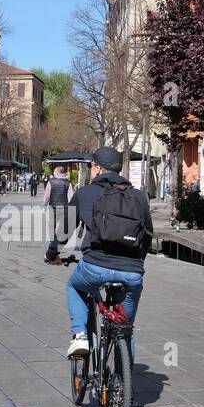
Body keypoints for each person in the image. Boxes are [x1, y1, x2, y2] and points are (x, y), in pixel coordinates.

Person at [56, 147, 153, 359]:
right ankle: (123, 377)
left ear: (98, 168)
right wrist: (136, 264)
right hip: (131, 272)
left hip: (94, 266)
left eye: (92, 167)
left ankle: (80, 335)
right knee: (125, 329)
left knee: (74, 286)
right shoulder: (138, 196)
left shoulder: (84, 193)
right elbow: (147, 236)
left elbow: (64, 231)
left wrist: (52, 254)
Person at [44, 165, 76, 243]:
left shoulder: (51, 182)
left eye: (54, 171)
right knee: (62, 225)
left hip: (53, 207)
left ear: (57, 172)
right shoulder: (68, 183)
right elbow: (71, 197)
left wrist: (45, 204)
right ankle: (60, 239)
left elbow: (47, 195)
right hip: (64, 207)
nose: (53, 173)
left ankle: (52, 240)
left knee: (52, 224)